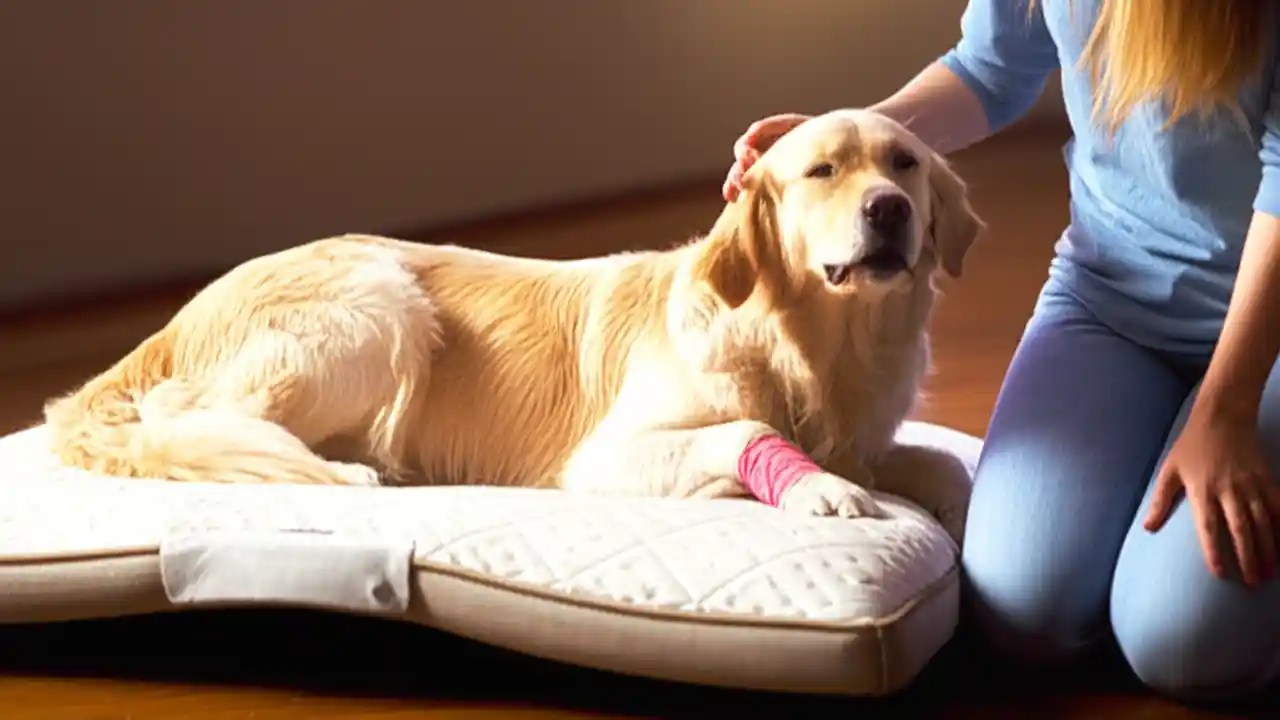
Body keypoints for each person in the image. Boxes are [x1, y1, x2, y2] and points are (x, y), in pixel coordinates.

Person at [723, 0, 1280, 702]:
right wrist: (842, 148)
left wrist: (1225, 412)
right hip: (1112, 299)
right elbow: (989, 70)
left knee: (1182, 646)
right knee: (1022, 611)